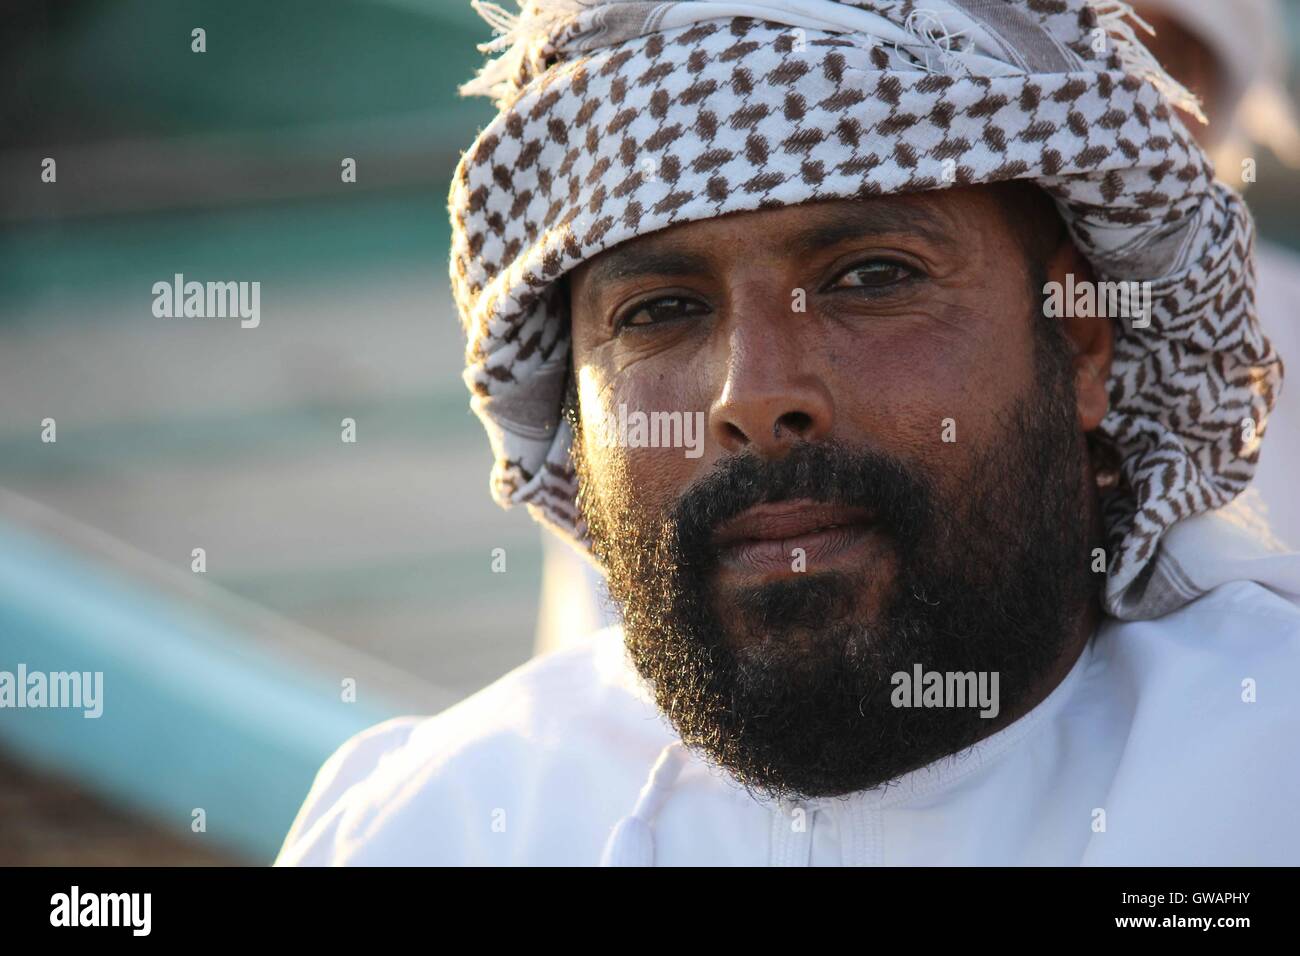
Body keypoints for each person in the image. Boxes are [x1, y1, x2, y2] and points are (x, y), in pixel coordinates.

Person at [275, 0, 1299, 866]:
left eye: (870, 277)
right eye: (659, 310)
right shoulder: (428, 827)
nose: (754, 395)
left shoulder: (1265, 777)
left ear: (1080, 340)